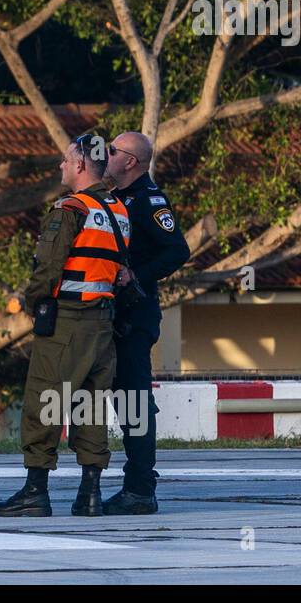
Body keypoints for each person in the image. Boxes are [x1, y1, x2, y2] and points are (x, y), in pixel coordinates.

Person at [0, 133, 130, 518]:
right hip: (103, 323)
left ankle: (35, 491)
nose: (61, 166)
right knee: (91, 405)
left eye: (66, 160)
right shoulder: (117, 210)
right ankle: (90, 494)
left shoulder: (70, 208)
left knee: (44, 401)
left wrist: (30, 303)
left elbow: (48, 269)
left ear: (81, 165)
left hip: (67, 320)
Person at [104, 131, 190, 515]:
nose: (106, 155)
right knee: (116, 397)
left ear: (130, 161)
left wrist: (135, 276)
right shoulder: (116, 198)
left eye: (112, 151)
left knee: (134, 399)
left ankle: (140, 487)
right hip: (113, 313)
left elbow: (177, 250)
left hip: (135, 315)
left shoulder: (149, 200)